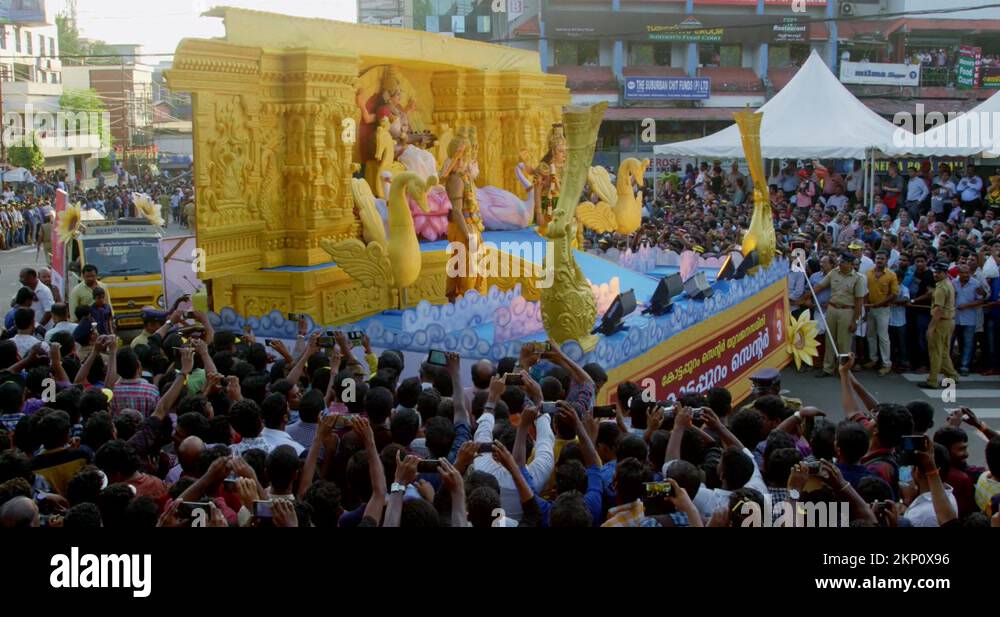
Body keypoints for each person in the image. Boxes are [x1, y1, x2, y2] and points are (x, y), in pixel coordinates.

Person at [812, 253, 865, 378]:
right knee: (829, 339)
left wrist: (855, 321)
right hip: (832, 309)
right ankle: (828, 368)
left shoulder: (858, 278)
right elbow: (819, 286)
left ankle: (843, 369)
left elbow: (859, 302)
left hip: (847, 311)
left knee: (844, 342)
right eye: (839, 262)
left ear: (850, 264)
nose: (839, 264)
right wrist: (809, 296)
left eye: (842, 262)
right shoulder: (833, 273)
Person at [924, 261, 960, 389]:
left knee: (935, 352)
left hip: (941, 321)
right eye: (935, 272)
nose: (935, 274)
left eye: (938, 272)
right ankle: (952, 376)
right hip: (949, 320)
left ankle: (932, 380)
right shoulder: (948, 284)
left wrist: (931, 327)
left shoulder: (941, 288)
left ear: (945, 273)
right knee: (943, 351)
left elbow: (938, 310)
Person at [864, 250, 899, 375]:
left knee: (883, 337)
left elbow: (894, 294)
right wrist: (867, 306)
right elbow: (865, 291)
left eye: (882, 258)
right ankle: (873, 359)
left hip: (883, 309)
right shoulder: (868, 273)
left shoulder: (891, 275)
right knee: (871, 335)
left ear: (887, 260)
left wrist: (879, 304)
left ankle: (886, 364)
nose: (879, 260)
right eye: (878, 258)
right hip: (870, 308)